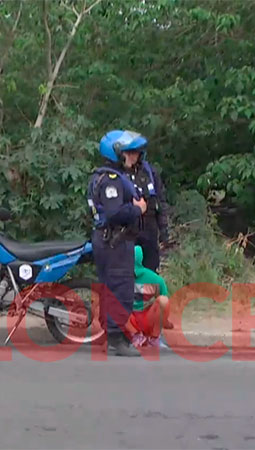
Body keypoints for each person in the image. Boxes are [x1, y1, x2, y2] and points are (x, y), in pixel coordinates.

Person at [87, 130, 148, 356]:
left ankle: (113, 333)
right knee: (120, 288)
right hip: (114, 241)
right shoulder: (111, 181)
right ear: (117, 154)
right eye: (130, 153)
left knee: (112, 287)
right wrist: (137, 209)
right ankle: (116, 338)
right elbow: (114, 213)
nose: (135, 157)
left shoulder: (105, 176)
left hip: (110, 240)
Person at [121, 138, 170, 272]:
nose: (132, 156)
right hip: (127, 231)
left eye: (135, 153)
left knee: (150, 271)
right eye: (128, 153)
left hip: (149, 230)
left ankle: (148, 293)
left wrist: (164, 231)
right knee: (129, 272)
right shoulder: (117, 175)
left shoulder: (149, 172)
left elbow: (160, 200)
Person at [127, 245, 173, 348]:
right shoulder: (119, 277)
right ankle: (135, 336)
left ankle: (154, 338)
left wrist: (165, 322)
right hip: (128, 319)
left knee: (163, 300)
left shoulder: (155, 280)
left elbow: (164, 304)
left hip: (146, 317)